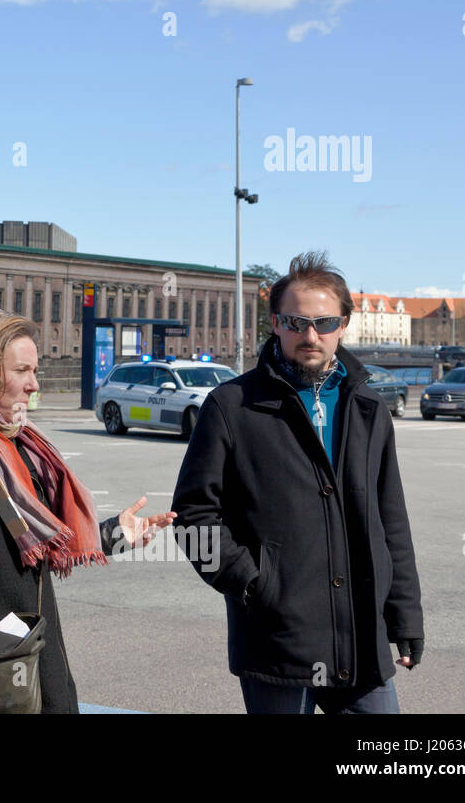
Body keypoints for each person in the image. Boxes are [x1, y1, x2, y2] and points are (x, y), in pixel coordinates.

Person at [171, 251, 424, 714]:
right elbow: (192, 515)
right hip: (277, 640)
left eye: (324, 322)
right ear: (275, 323)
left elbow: (391, 523)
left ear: (344, 324)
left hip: (361, 639)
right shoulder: (232, 407)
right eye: (296, 322)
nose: (310, 335)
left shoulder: (368, 410)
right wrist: (251, 583)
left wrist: (404, 616)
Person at [0, 312, 174, 714]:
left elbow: (42, 536)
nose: (34, 384)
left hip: (32, 648)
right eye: (21, 370)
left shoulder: (22, 445)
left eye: (35, 370)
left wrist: (113, 535)